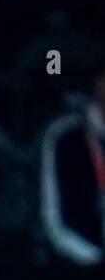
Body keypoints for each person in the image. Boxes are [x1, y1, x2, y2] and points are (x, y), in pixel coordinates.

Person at [40, 53, 105, 265]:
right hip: (84, 266)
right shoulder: (66, 136)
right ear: (98, 81)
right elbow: (54, 223)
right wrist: (96, 260)